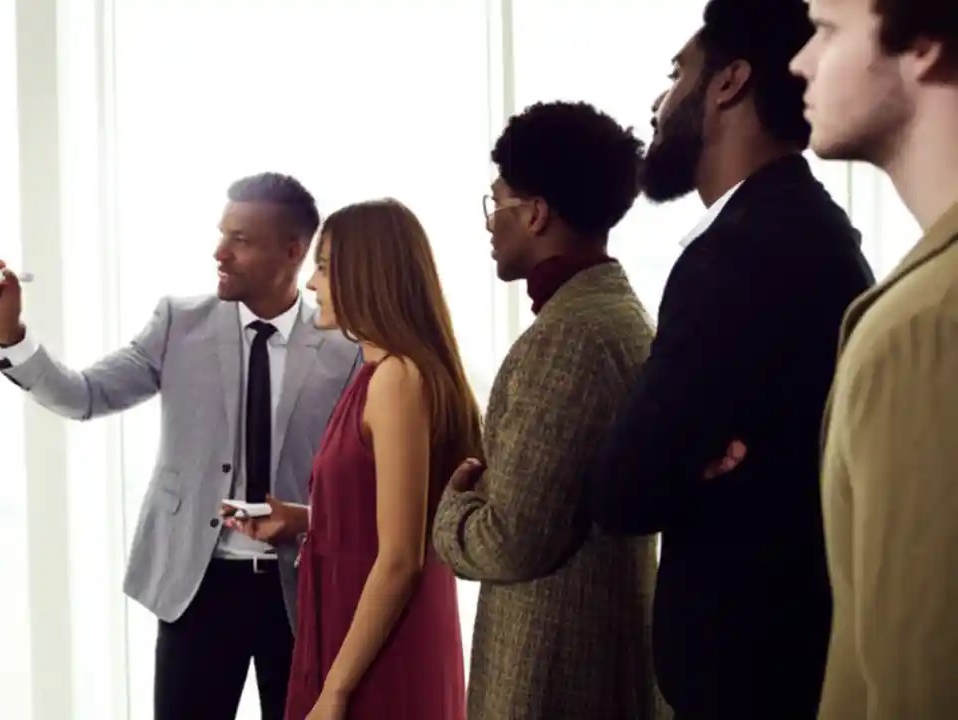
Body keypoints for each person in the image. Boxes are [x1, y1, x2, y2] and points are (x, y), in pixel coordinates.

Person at [0, 173, 361, 720]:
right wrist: (13, 339)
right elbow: (85, 395)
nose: (219, 252)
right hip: (196, 585)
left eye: (241, 240)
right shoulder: (180, 322)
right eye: (222, 234)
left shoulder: (346, 346)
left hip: (302, 586)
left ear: (293, 251)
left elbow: (362, 477)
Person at [585, 0, 875, 717]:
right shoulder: (801, 226)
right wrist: (693, 454)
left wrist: (676, 457)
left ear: (728, 82)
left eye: (677, 72)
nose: (659, 101)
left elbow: (625, 488)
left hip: (756, 676)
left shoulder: (745, 250)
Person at [430, 101, 666, 720]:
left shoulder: (572, 337)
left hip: (551, 674)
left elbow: (512, 542)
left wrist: (452, 508)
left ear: (534, 213)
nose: (488, 225)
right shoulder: (614, 315)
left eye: (496, 203)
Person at [225, 199, 477, 719]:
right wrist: (304, 521)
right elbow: (388, 518)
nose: (312, 284)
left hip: (381, 646)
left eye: (322, 266)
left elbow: (402, 558)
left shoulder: (396, 381)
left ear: (367, 274)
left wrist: (336, 691)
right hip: (355, 627)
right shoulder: (375, 373)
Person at [790, 2, 958, 717]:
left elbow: (920, 690)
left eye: (826, 29)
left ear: (923, 42)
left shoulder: (924, 326)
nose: (800, 60)